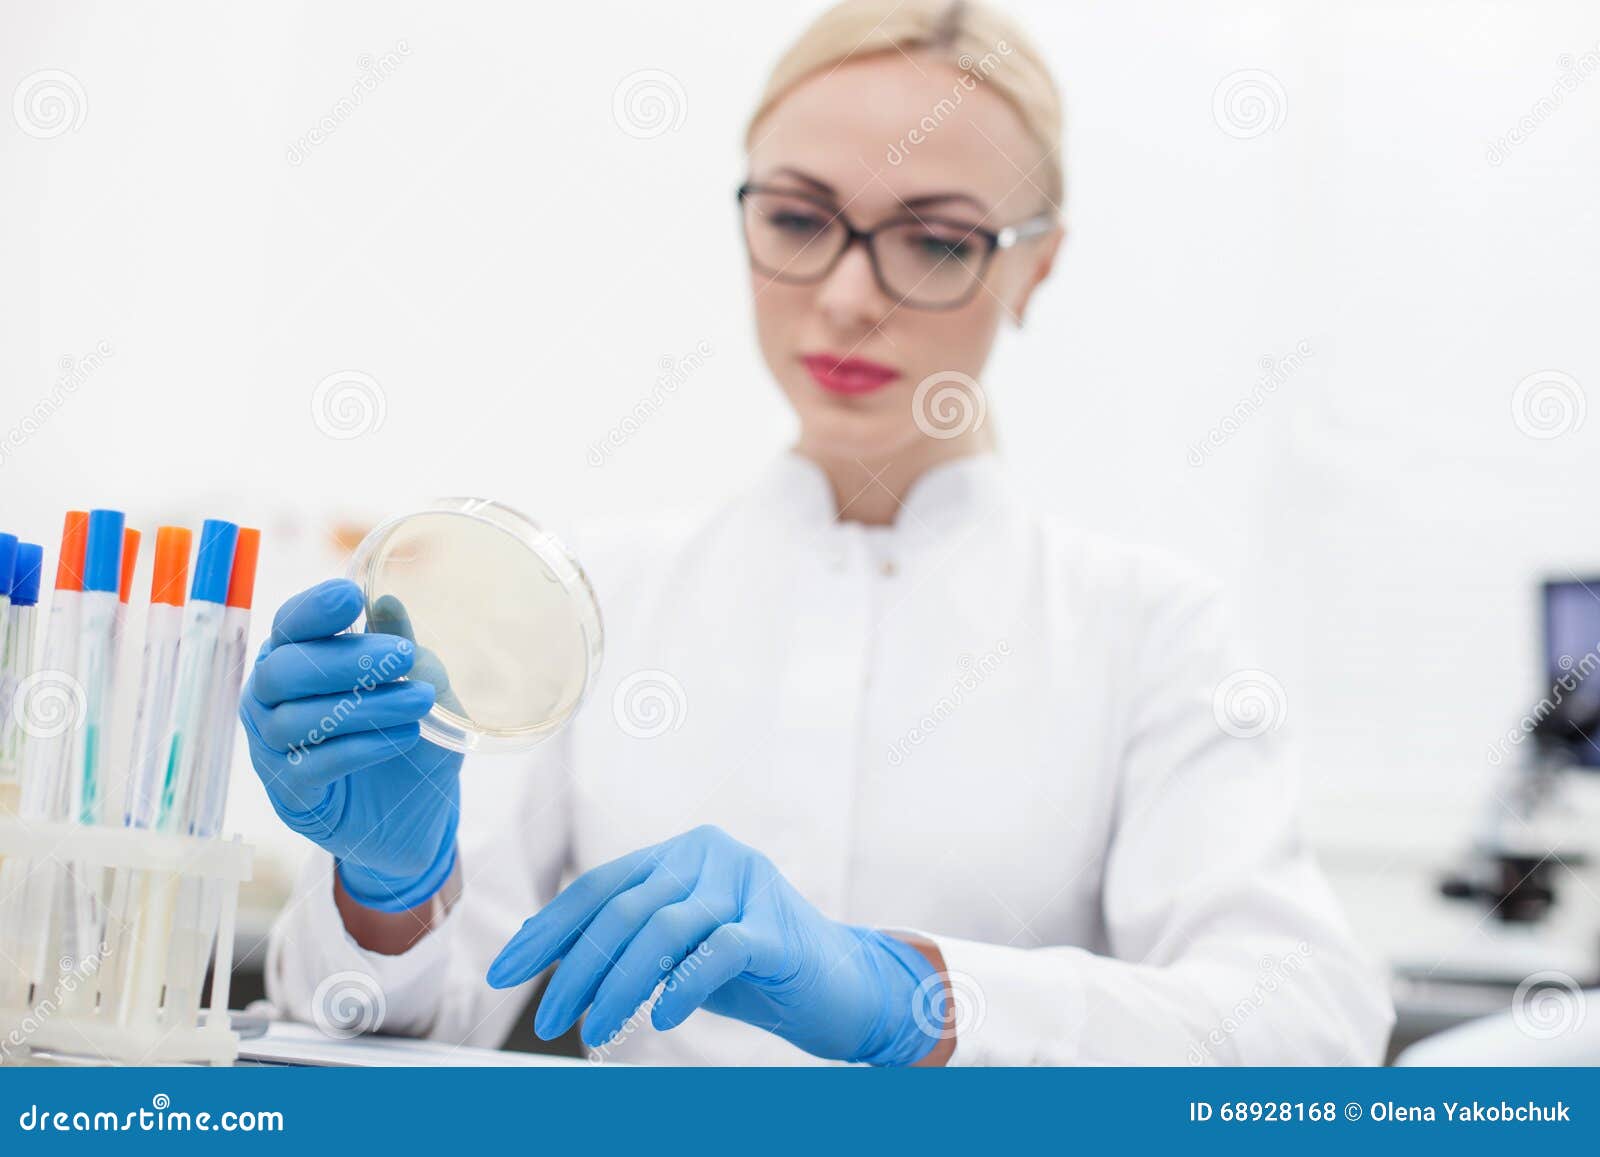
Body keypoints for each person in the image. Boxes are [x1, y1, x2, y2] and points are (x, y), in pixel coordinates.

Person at [251, 0, 1394, 1065]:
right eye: (799, 219)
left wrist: (915, 995)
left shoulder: (1148, 628)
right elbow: (410, 1020)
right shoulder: (600, 597)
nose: (848, 296)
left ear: (1035, 262)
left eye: (936, 241)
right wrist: (385, 896)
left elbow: (1308, 1023)